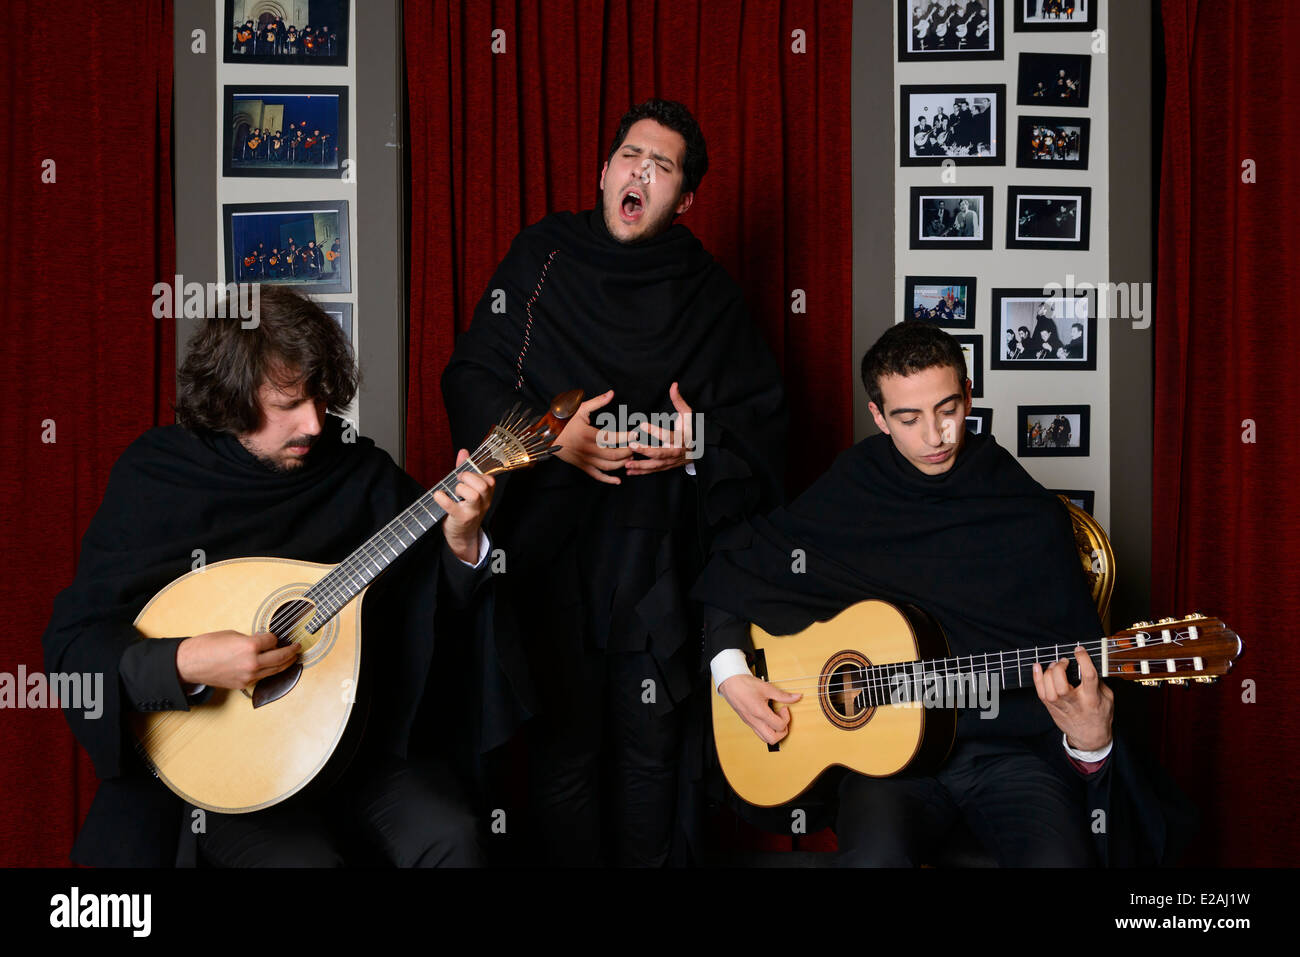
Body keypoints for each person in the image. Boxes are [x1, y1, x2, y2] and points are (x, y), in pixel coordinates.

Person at [694, 321, 1195, 866]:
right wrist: (729, 672)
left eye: (948, 409)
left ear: (970, 396)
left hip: (1012, 754)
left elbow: (1075, 658)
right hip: (887, 764)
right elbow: (741, 565)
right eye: (909, 418)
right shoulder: (854, 488)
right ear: (879, 417)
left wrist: (1089, 741)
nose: (935, 436)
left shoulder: (1026, 514)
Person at [440, 99, 786, 866]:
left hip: (658, 560)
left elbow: (765, 428)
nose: (642, 173)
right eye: (631, 157)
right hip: (552, 557)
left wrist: (694, 444)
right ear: (604, 172)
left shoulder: (710, 293)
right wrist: (551, 436)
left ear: (685, 199)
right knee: (564, 758)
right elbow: (469, 375)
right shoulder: (543, 257)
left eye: (662, 169)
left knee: (651, 752)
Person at [42, 286, 497, 867]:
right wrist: (183, 662)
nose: (313, 422)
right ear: (231, 399)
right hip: (228, 772)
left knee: (453, 835)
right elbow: (75, 642)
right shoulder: (157, 478)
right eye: (287, 404)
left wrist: (461, 545)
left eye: (320, 399)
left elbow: (428, 612)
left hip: (352, 747)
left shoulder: (357, 470)